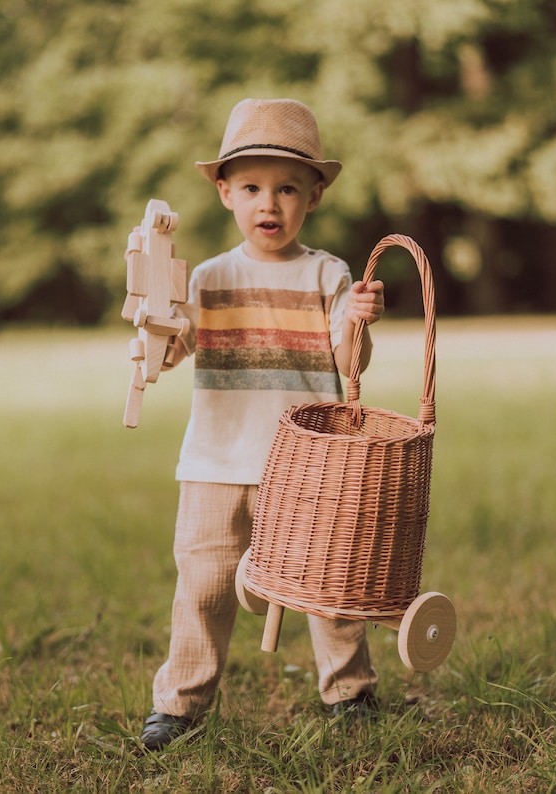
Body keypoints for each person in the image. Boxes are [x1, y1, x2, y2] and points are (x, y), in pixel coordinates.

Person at [138, 98, 385, 750]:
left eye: (286, 189)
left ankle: (350, 691)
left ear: (314, 195)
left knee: (331, 580)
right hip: (217, 461)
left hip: (307, 466)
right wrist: (156, 324)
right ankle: (182, 703)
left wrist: (357, 317)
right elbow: (171, 349)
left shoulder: (326, 274)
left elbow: (348, 361)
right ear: (224, 193)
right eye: (250, 187)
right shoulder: (212, 278)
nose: (267, 204)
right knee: (205, 582)